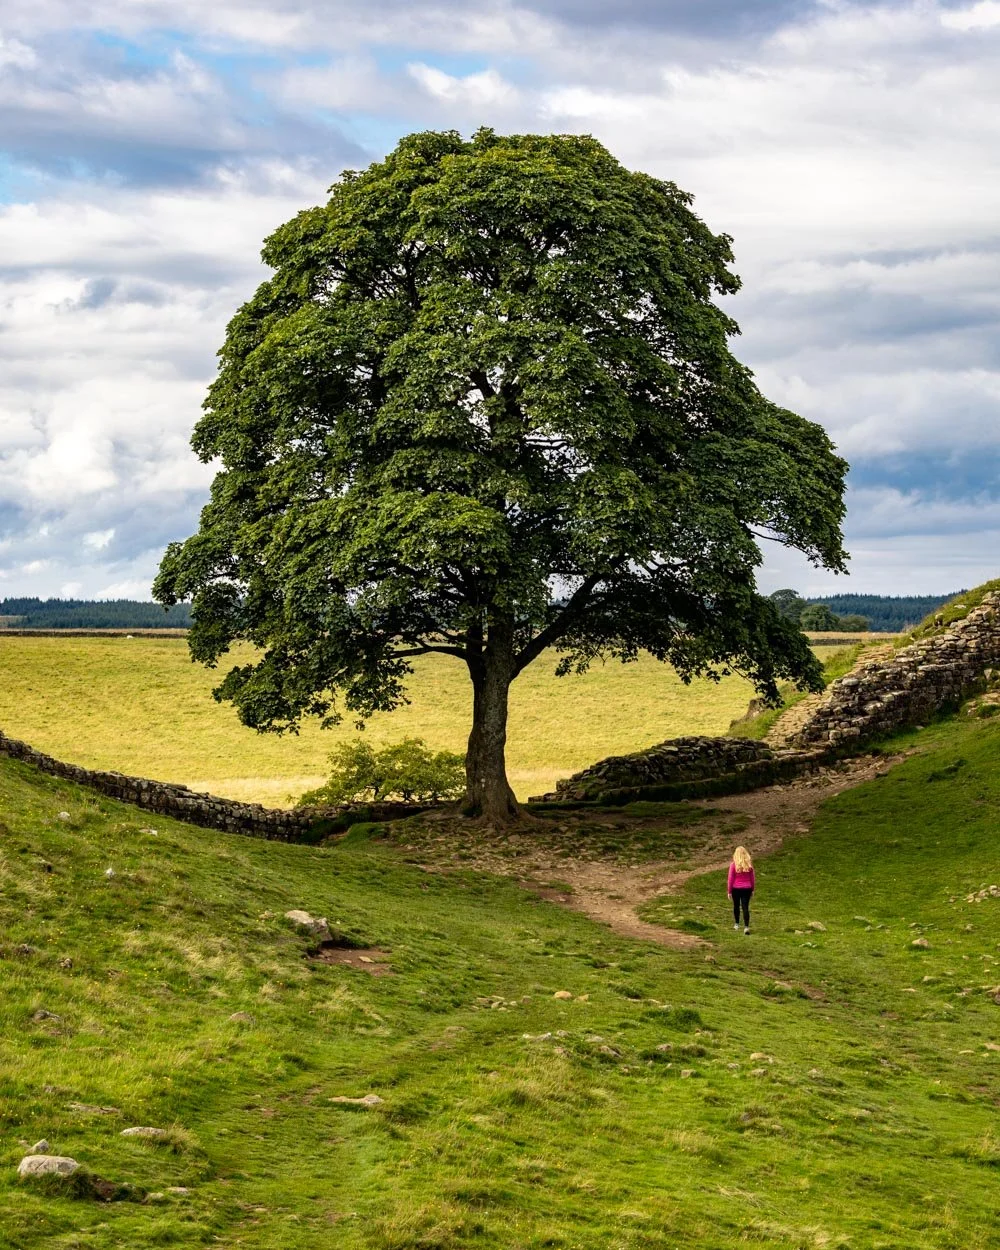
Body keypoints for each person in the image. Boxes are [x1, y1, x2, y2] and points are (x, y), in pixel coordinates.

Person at [727, 846, 755, 935]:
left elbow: (730, 879)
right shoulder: (749, 865)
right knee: (745, 907)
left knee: (736, 906)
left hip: (736, 889)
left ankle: (737, 924)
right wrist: (753, 889)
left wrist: (729, 891)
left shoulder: (733, 865)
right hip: (747, 888)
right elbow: (752, 878)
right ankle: (746, 927)